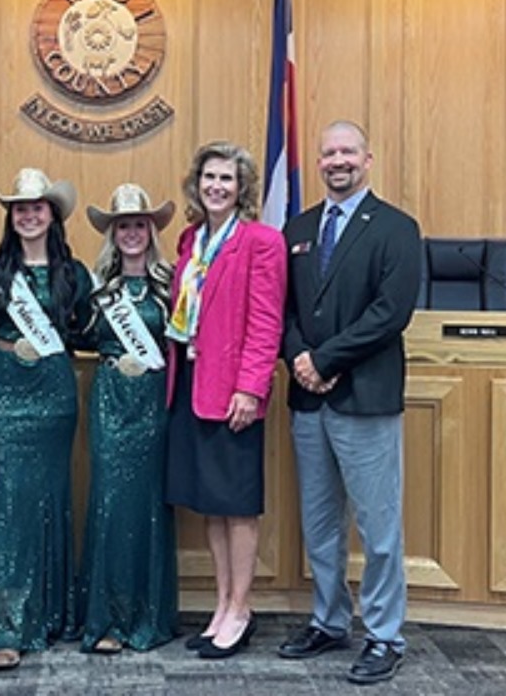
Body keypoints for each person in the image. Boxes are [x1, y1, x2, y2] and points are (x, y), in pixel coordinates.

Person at [277, 120, 421, 685]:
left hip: (365, 399)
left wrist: (324, 360)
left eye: (348, 152)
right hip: (309, 402)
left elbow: (390, 313)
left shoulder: (397, 228)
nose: (338, 161)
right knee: (319, 524)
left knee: (379, 528)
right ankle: (329, 621)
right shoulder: (299, 228)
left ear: (368, 158)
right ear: (318, 162)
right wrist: (298, 358)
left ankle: (385, 636)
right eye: (329, 153)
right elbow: (283, 308)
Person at [0, 168, 92, 670]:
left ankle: (49, 617)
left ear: (53, 214)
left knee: (51, 500)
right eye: (19, 207)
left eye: (37, 206)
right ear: (11, 217)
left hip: (55, 396)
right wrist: (4, 348)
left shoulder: (75, 274)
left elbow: (89, 333)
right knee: (9, 504)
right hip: (4, 394)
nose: (28, 214)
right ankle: (6, 628)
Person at [163, 142, 287, 659]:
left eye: (227, 180)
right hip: (192, 385)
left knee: (237, 507)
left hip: (234, 389)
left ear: (243, 189)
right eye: (209, 177)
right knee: (211, 505)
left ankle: (241, 607)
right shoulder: (191, 239)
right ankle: (221, 605)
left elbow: (265, 322)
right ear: (197, 184)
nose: (217, 186)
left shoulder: (262, 241)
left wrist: (251, 388)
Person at [76, 184, 179, 654]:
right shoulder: (97, 290)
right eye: (124, 226)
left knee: (149, 504)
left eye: (140, 224)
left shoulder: (172, 283)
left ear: (151, 231)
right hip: (110, 400)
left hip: (153, 404)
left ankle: (148, 615)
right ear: (113, 234)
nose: (132, 233)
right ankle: (110, 617)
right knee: (111, 503)